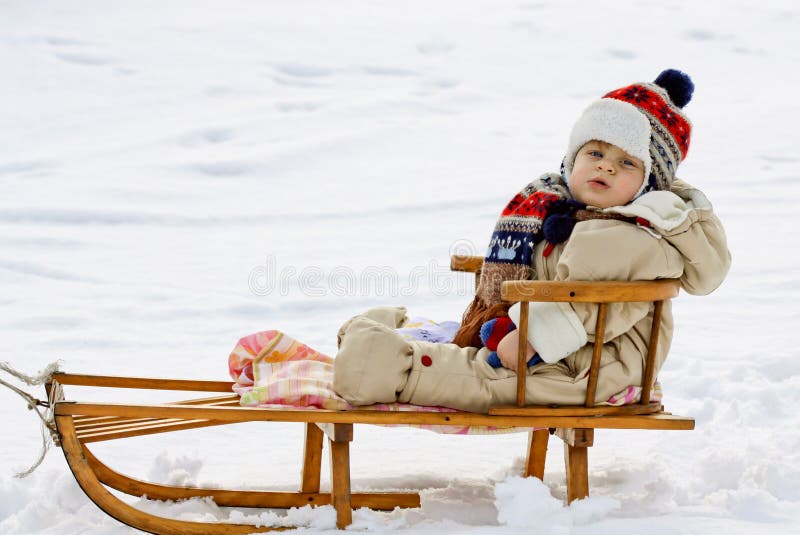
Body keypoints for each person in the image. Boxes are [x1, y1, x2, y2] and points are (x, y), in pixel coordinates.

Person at [332, 69, 731, 413]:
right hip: (551, 347)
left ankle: (391, 366)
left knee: (484, 379)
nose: (606, 165)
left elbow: (585, 304)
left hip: (590, 369)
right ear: (571, 161)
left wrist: (529, 338)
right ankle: (394, 339)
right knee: (477, 357)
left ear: (648, 184)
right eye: (595, 152)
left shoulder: (629, 235)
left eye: (627, 162)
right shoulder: (554, 207)